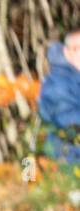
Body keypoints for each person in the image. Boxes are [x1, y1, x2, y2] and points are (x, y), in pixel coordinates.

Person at [40, 27, 80, 165]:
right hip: (67, 161)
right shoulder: (57, 84)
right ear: (67, 52)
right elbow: (68, 121)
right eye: (78, 48)